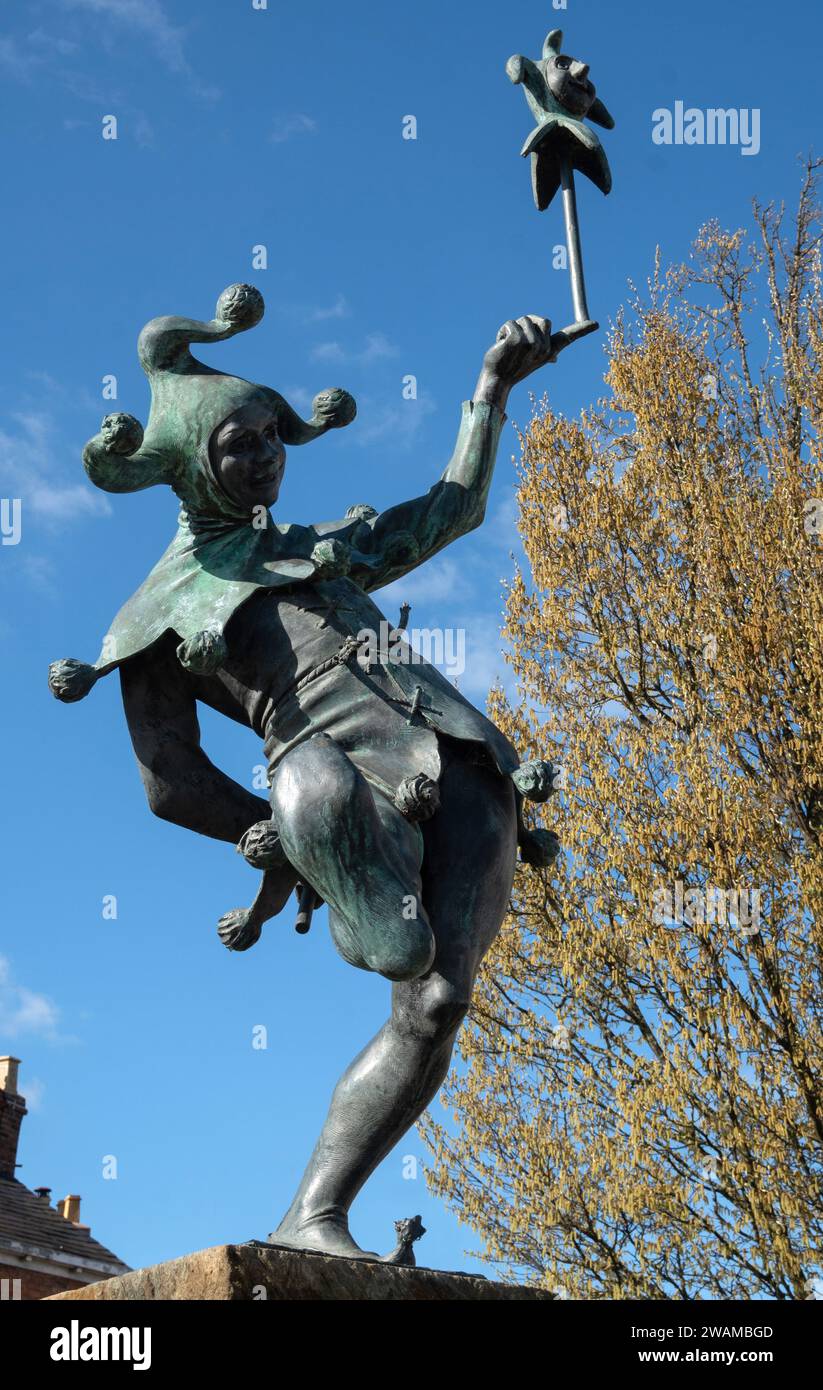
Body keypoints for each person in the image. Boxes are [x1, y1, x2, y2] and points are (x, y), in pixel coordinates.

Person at [49, 284, 559, 1260]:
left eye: (273, 437)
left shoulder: (315, 552)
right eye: (240, 443)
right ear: (192, 463)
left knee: (440, 1002)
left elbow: (451, 509)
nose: (265, 457)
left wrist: (490, 389)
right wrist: (270, 830)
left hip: (462, 759)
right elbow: (166, 775)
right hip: (335, 775)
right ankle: (333, 848)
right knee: (337, 834)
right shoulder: (154, 611)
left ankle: (313, 1217)